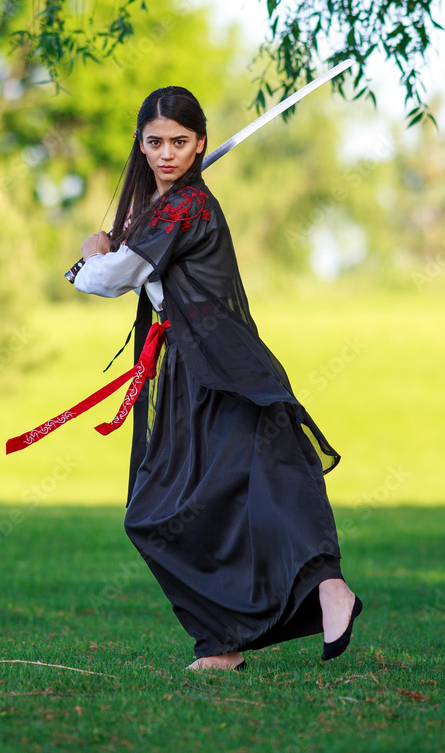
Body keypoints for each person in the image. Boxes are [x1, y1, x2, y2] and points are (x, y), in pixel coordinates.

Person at [73, 86, 362, 671]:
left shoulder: (186, 207)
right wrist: (130, 234)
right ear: (141, 144)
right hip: (183, 370)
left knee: (272, 473)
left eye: (180, 142)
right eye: (155, 142)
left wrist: (92, 252)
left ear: (201, 144)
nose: (167, 154)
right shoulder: (164, 210)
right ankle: (224, 642)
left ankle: (328, 590)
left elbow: (110, 279)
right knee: (160, 513)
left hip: (223, 364)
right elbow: (143, 271)